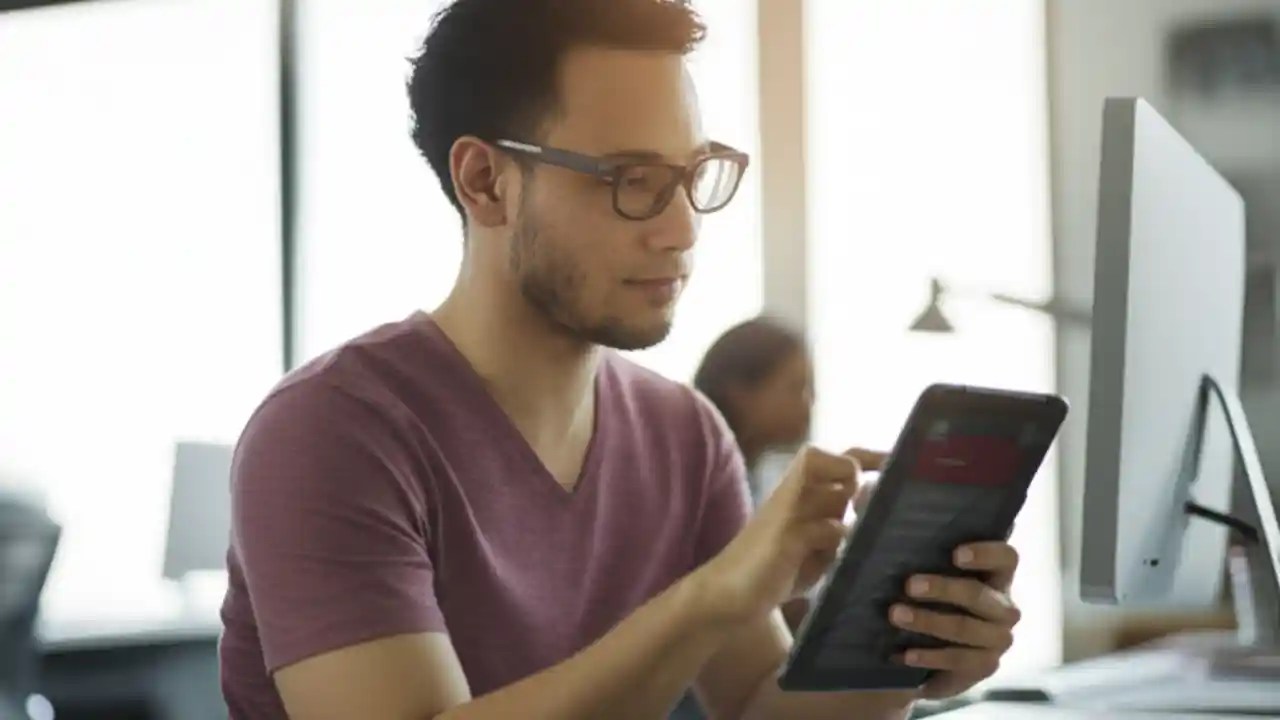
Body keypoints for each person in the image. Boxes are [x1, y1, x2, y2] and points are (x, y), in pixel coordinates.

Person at [218, 1, 1025, 718]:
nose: (680, 229)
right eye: (631, 180)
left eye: (689, 176)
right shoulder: (330, 434)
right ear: (486, 182)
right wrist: (710, 595)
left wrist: (904, 653)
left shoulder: (684, 435)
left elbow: (756, 705)